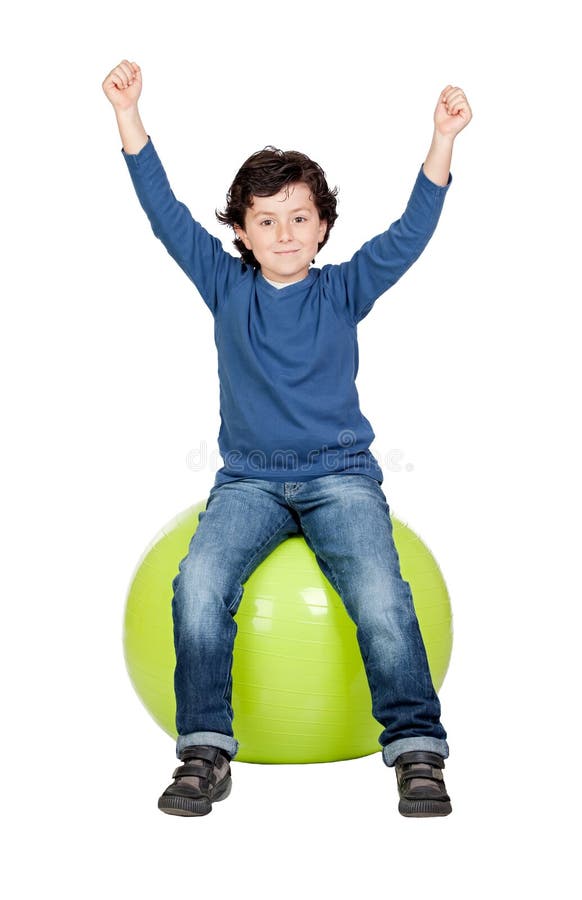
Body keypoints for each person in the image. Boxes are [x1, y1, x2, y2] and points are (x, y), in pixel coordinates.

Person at [102, 59, 472, 818]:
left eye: (300, 217)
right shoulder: (224, 283)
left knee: (378, 592)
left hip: (341, 477)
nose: (284, 232)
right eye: (265, 219)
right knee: (199, 584)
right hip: (249, 481)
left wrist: (442, 140)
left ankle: (416, 752)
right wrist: (130, 116)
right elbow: (162, 210)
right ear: (240, 231)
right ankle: (205, 750)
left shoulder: (342, 288)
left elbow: (410, 234)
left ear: (324, 225)